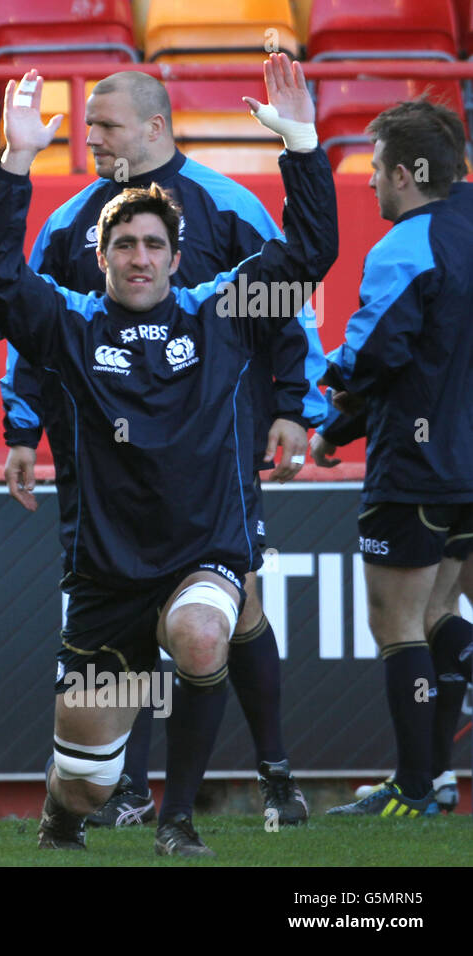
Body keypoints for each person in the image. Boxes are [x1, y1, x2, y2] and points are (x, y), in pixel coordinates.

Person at [0, 55, 336, 855]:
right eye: (124, 244)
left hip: (202, 551)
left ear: (175, 255)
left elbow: (309, 255)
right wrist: (15, 159)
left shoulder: (224, 313)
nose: (139, 257)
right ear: (101, 258)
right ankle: (63, 814)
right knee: (85, 780)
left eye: (153, 245)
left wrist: (302, 143)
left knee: (206, 632)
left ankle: (178, 817)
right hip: (105, 578)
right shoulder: (68, 326)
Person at [307, 98, 473, 817]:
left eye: (375, 168)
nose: (371, 182)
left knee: (396, 624)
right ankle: (435, 777)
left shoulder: (406, 244)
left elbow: (374, 357)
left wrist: (325, 411)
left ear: (406, 173)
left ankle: (411, 788)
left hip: (416, 464)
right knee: (441, 609)